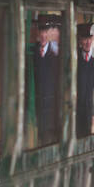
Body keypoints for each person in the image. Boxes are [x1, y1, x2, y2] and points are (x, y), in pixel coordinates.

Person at [32, 13, 61, 146]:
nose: (43, 35)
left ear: (49, 33)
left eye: (46, 31)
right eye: (41, 31)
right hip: (37, 106)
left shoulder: (56, 54)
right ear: (38, 33)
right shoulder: (33, 52)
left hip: (52, 108)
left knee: (51, 140)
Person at [75, 22, 94, 136]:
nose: (87, 42)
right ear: (80, 40)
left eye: (90, 38)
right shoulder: (76, 56)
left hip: (90, 108)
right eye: (85, 39)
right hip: (77, 107)